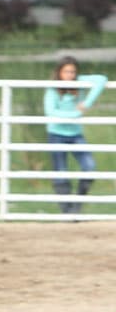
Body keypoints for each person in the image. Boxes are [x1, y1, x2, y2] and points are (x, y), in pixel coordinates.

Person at [44, 56, 107, 214]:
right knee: (61, 171)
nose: (70, 75)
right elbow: (51, 112)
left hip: (76, 134)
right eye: (66, 71)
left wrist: (86, 104)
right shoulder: (52, 90)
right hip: (56, 134)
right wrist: (75, 114)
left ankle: (77, 203)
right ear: (59, 72)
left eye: (73, 71)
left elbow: (101, 79)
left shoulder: (79, 82)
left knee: (89, 166)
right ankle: (67, 210)